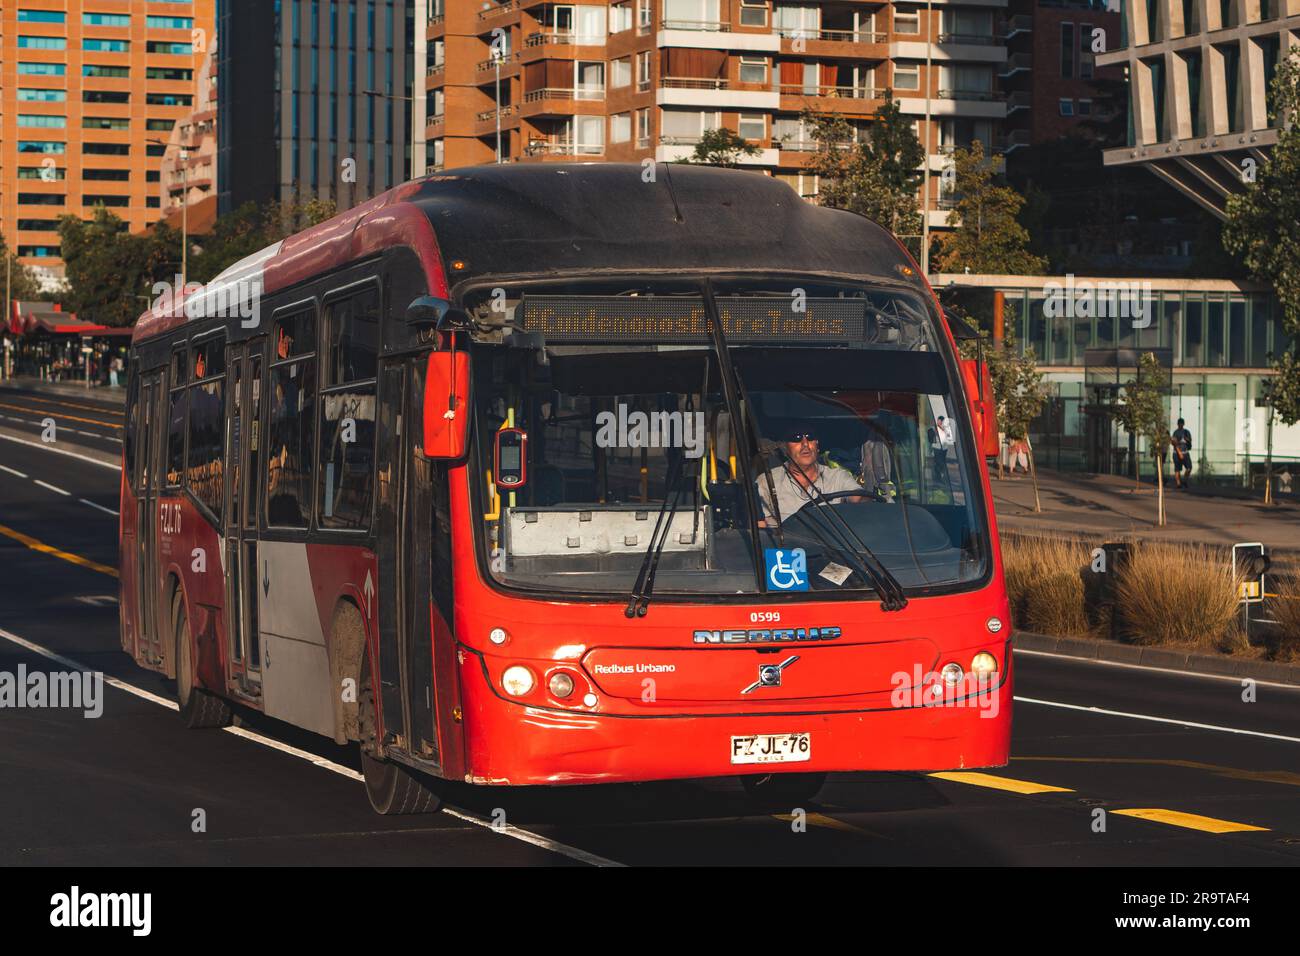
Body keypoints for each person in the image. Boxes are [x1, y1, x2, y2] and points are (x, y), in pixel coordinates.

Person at [755, 427, 863, 526]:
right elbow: (760, 526)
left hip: (832, 545)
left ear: (817, 446)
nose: (805, 443)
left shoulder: (837, 476)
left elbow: (860, 500)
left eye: (810, 437)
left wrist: (867, 503)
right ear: (785, 448)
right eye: (796, 438)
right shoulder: (766, 481)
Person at [1171, 418, 1193, 489]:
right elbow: (1173, 443)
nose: (1180, 425)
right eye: (1179, 423)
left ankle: (1184, 480)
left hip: (1185, 453)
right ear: (1178, 424)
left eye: (1182, 423)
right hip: (1177, 453)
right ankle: (1178, 484)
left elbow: (1190, 441)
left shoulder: (1186, 432)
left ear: (1183, 424)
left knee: (1189, 468)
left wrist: (1188, 440)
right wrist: (1179, 452)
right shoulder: (1175, 432)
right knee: (1177, 469)